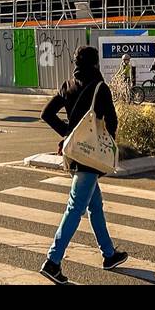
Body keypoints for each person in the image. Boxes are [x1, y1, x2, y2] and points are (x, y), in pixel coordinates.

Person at [38, 45, 128, 283]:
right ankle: (52, 261)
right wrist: (106, 143)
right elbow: (112, 121)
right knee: (75, 207)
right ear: (95, 63)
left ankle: (109, 255)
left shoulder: (67, 86)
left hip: (75, 153)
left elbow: (46, 114)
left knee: (94, 205)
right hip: (91, 156)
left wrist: (68, 134)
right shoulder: (100, 88)